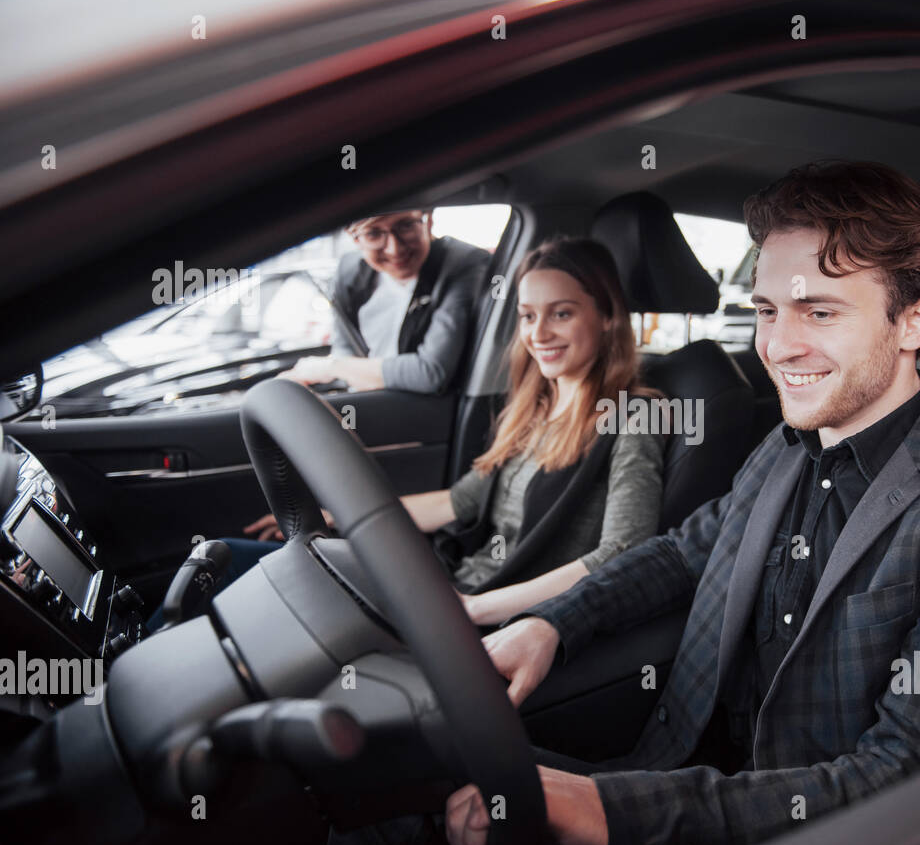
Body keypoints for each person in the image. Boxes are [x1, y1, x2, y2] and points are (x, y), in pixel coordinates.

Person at [442, 161, 920, 845]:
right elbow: (683, 553)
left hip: (808, 833)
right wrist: (550, 625)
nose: (777, 346)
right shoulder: (787, 446)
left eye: (819, 311)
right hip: (674, 774)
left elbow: (906, 778)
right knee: (415, 790)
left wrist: (611, 810)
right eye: (767, 310)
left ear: (915, 321)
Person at [157, 237, 666, 632]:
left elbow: (622, 552)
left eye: (562, 313)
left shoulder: (634, 416)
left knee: (248, 585)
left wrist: (472, 609)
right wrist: (340, 518)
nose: (538, 334)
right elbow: (459, 503)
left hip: (484, 610)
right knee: (226, 560)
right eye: (529, 316)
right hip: (446, 584)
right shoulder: (535, 406)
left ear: (605, 316)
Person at [279, 208, 490, 394]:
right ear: (355, 239)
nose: (394, 248)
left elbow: (432, 372)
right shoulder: (349, 271)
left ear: (429, 219)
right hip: (375, 401)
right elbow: (345, 348)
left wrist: (330, 367)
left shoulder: (461, 264)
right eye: (373, 233)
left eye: (406, 225)